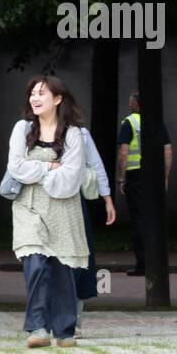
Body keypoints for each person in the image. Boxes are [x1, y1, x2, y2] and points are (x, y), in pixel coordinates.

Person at [6, 77, 90, 347]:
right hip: (27, 206)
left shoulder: (74, 133)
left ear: (58, 99)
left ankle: (65, 330)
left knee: (61, 267)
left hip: (62, 208)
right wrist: (50, 167)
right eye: (32, 93)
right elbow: (16, 167)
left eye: (42, 93)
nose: (35, 98)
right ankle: (38, 328)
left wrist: (36, 169)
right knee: (36, 264)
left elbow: (70, 179)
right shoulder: (22, 129)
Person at [115, 92, 173, 276]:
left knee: (139, 220)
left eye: (131, 101)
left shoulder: (129, 122)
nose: (129, 104)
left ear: (135, 104)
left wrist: (121, 177)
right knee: (154, 219)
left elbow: (124, 153)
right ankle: (158, 263)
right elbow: (168, 151)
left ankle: (143, 265)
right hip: (155, 176)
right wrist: (165, 177)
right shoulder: (157, 122)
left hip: (136, 176)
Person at [72, 124, 117, 336]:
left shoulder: (79, 133)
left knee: (81, 259)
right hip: (45, 203)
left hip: (74, 202)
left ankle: (75, 320)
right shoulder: (30, 129)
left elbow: (96, 164)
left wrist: (107, 197)